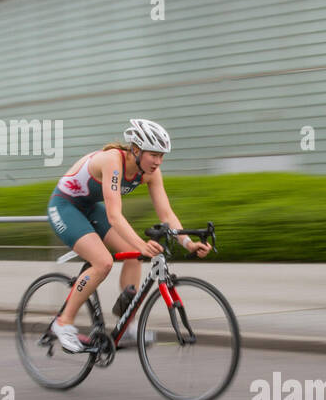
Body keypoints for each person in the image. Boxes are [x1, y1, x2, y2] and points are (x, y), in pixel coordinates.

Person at [46, 119, 211, 353]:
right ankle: (62, 323)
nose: (158, 161)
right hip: (64, 206)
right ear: (136, 149)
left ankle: (127, 324)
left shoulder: (150, 173)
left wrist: (188, 243)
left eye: (162, 155)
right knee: (103, 262)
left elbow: (166, 213)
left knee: (134, 256)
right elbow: (114, 216)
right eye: (153, 154)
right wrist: (143, 244)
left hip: (90, 207)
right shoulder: (113, 161)